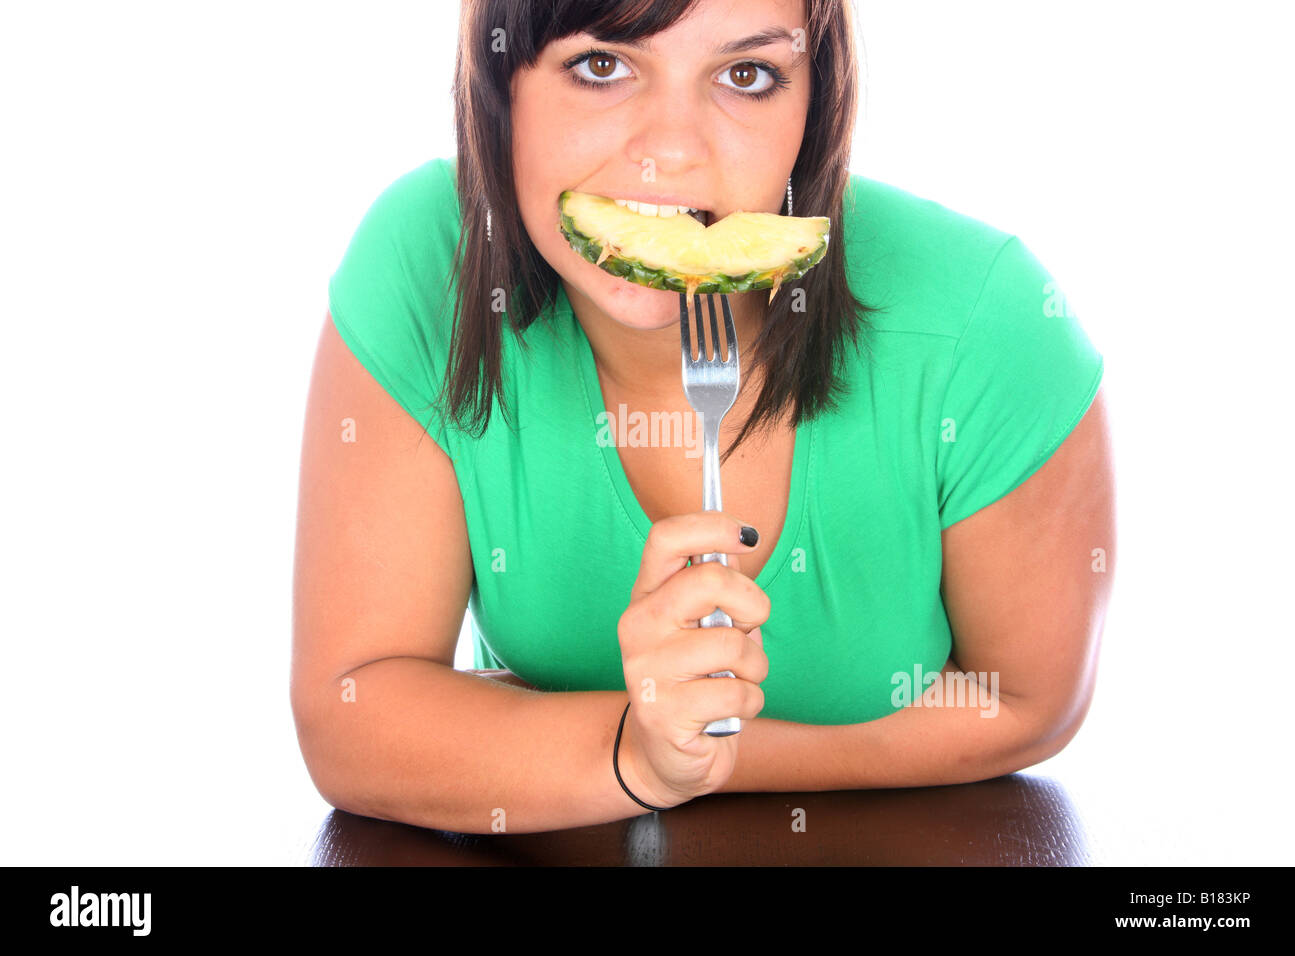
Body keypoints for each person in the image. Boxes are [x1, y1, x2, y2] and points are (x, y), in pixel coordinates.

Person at [292, 0, 1115, 834]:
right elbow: (355, 713)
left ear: (813, 104)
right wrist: (633, 751)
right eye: (603, 66)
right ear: (501, 84)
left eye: (746, 75)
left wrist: (670, 757)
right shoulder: (426, 260)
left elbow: (1025, 705)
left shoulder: (990, 322)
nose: (672, 152)